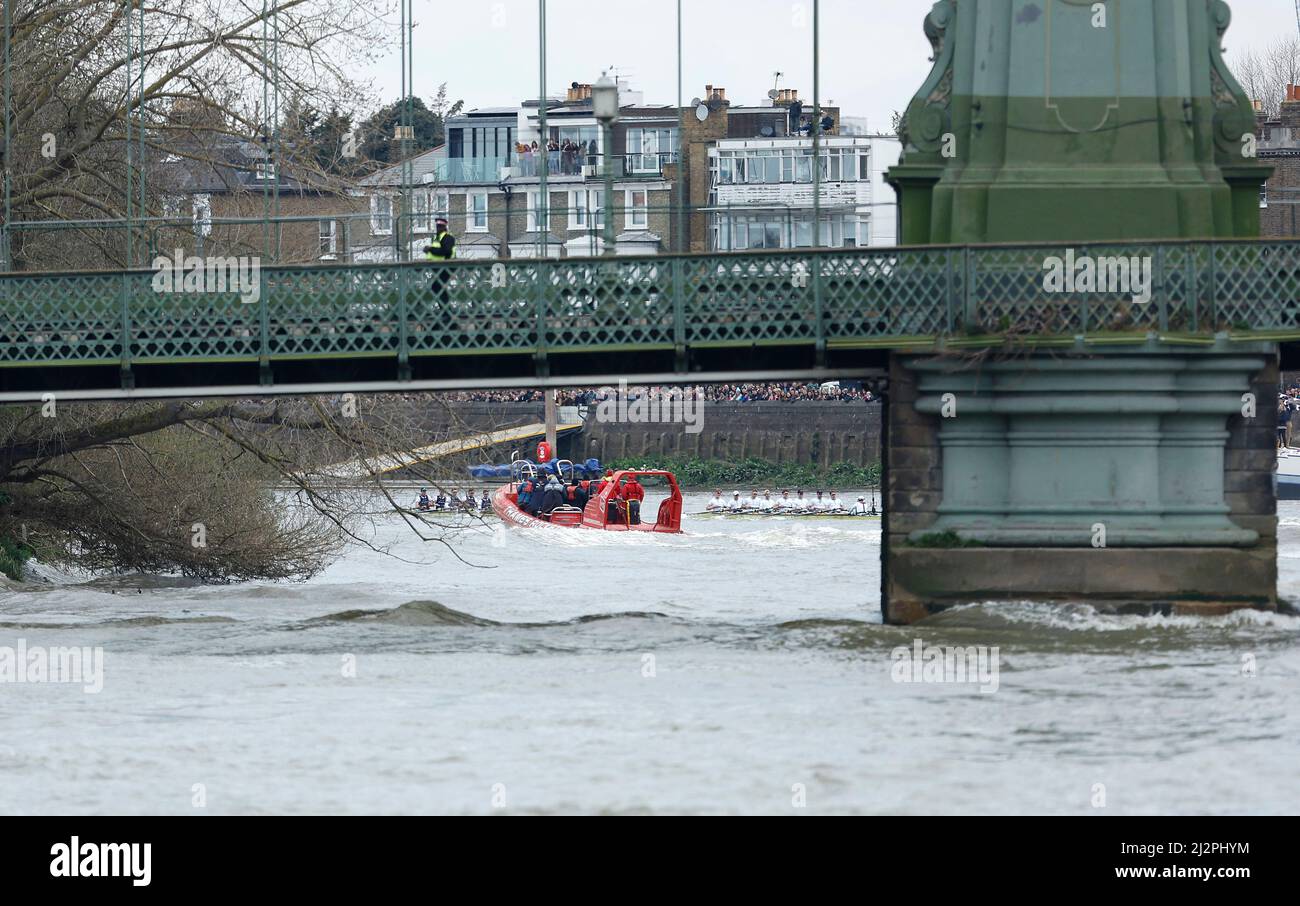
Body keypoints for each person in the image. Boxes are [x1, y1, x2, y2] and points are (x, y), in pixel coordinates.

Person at [423, 216, 456, 309]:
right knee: (437, 288)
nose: (438, 228)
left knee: (438, 288)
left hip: (446, 267)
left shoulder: (448, 238)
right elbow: (437, 251)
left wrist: (431, 249)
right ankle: (445, 310)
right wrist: (429, 251)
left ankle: (446, 311)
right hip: (439, 268)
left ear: (444, 227)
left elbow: (446, 251)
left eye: (440, 227)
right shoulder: (438, 238)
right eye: (437, 226)